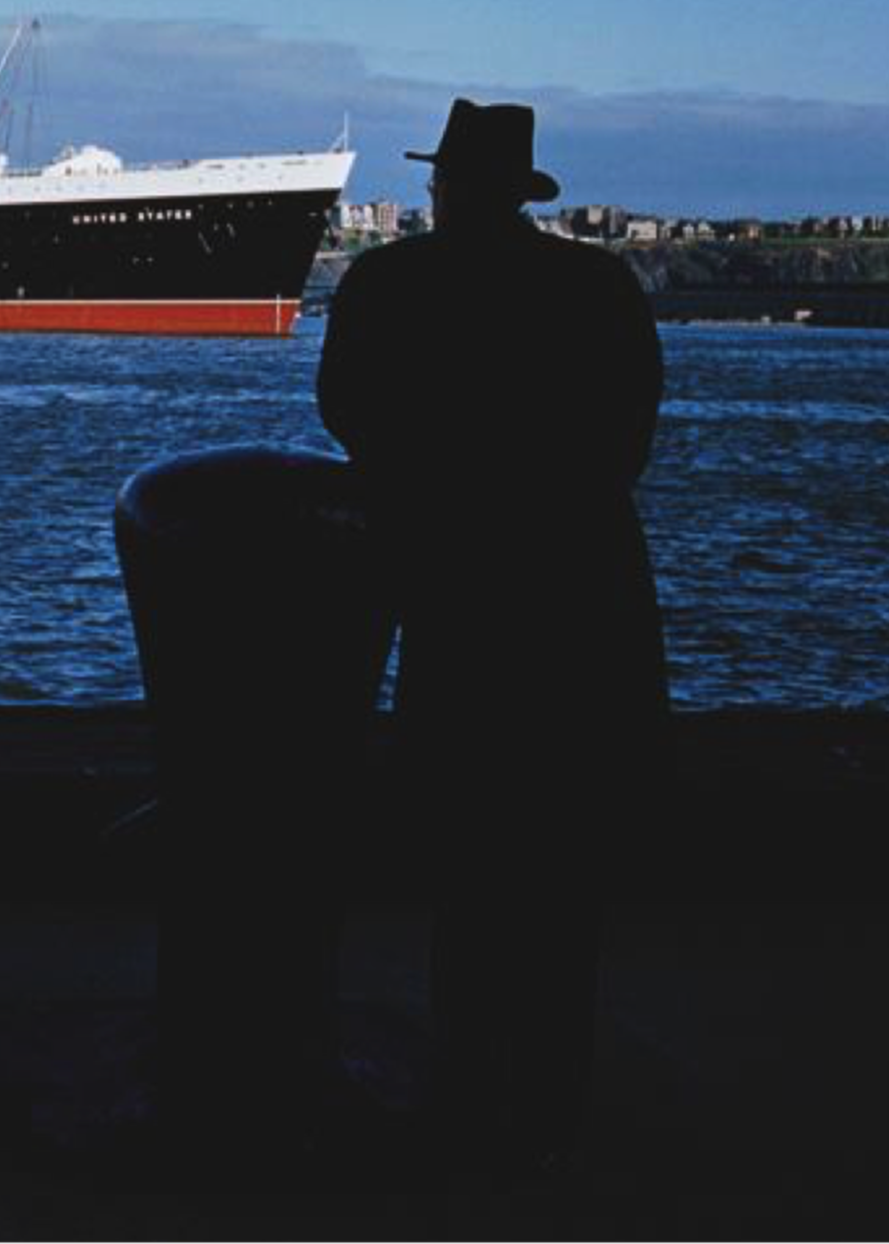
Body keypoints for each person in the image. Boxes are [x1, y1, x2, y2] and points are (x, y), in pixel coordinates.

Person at [316, 98, 668, 1169]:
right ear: (524, 190)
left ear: (440, 187)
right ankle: (554, 1104)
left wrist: (432, 495)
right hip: (585, 600)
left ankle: (465, 1096)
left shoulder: (388, 282)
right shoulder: (598, 285)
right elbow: (629, 433)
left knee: (465, 867)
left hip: (457, 600)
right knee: (564, 874)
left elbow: (345, 412)